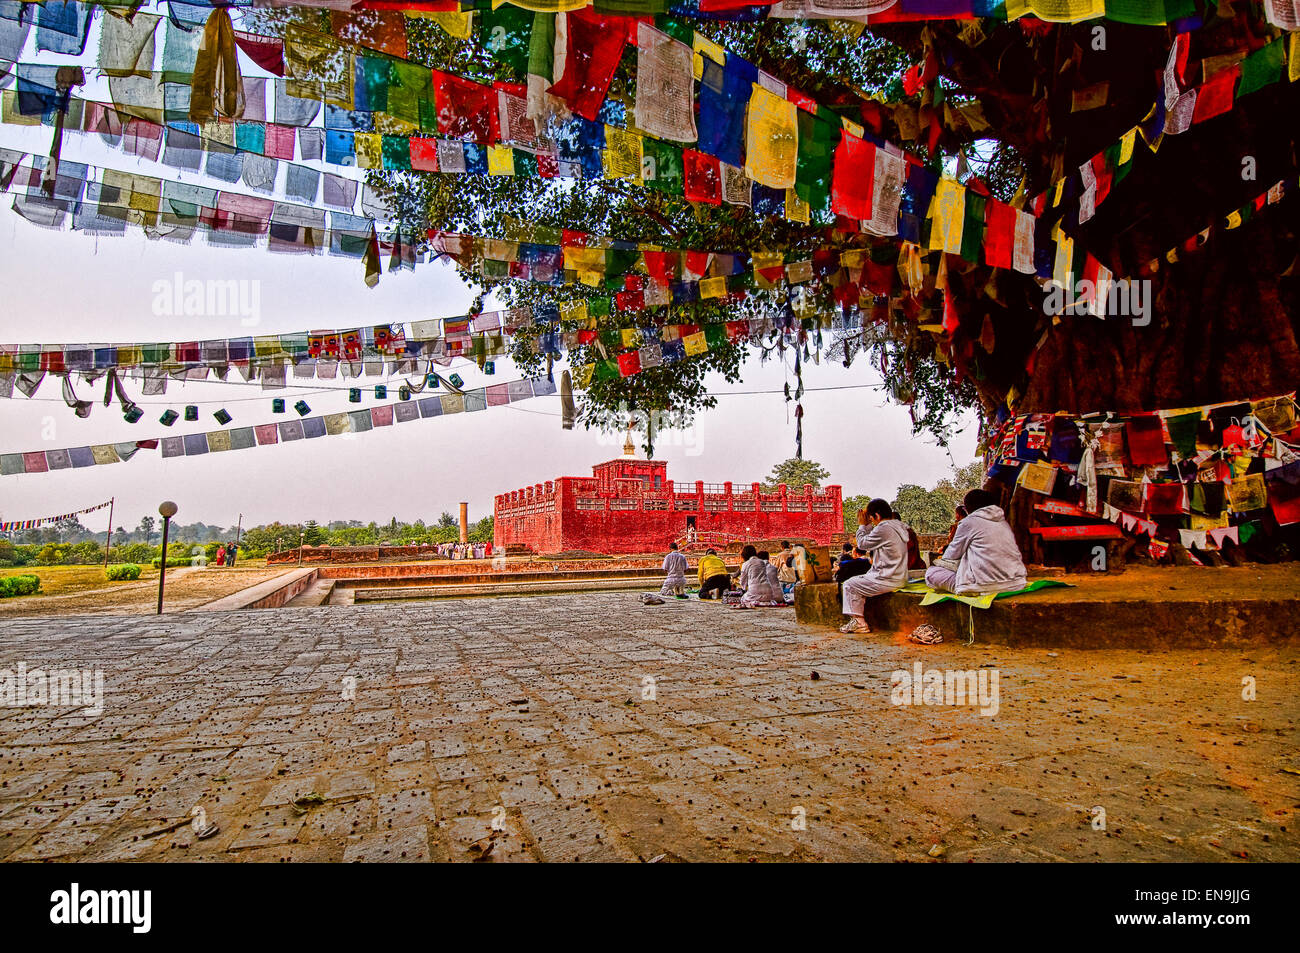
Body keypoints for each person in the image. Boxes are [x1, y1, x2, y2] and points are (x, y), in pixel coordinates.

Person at [925, 489, 1027, 595]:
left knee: (931, 573)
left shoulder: (968, 522)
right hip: (1016, 583)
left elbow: (951, 556)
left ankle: (968, 589)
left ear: (967, 509)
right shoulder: (1003, 523)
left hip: (985, 586)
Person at [840, 498, 912, 634]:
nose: (872, 522)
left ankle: (859, 623)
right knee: (860, 579)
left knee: (849, 585)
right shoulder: (898, 526)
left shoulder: (884, 528)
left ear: (877, 516)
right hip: (899, 577)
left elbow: (862, 544)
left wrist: (863, 525)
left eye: (872, 519)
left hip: (887, 579)